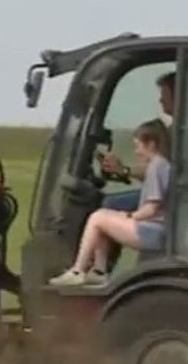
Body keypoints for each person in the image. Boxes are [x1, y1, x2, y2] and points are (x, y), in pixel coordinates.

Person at [48, 119, 172, 288]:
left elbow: (151, 208)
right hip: (156, 229)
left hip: (151, 232)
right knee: (105, 213)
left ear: (151, 144)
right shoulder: (163, 165)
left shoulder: (157, 167)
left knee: (97, 218)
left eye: (138, 146)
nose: (136, 152)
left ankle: (78, 271)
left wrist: (129, 215)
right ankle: (99, 271)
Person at [98, 70, 175, 212]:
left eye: (164, 95)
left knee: (108, 205)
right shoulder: (175, 129)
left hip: (171, 200)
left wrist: (123, 170)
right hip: (170, 196)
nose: (160, 100)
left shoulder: (178, 133)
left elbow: (158, 170)